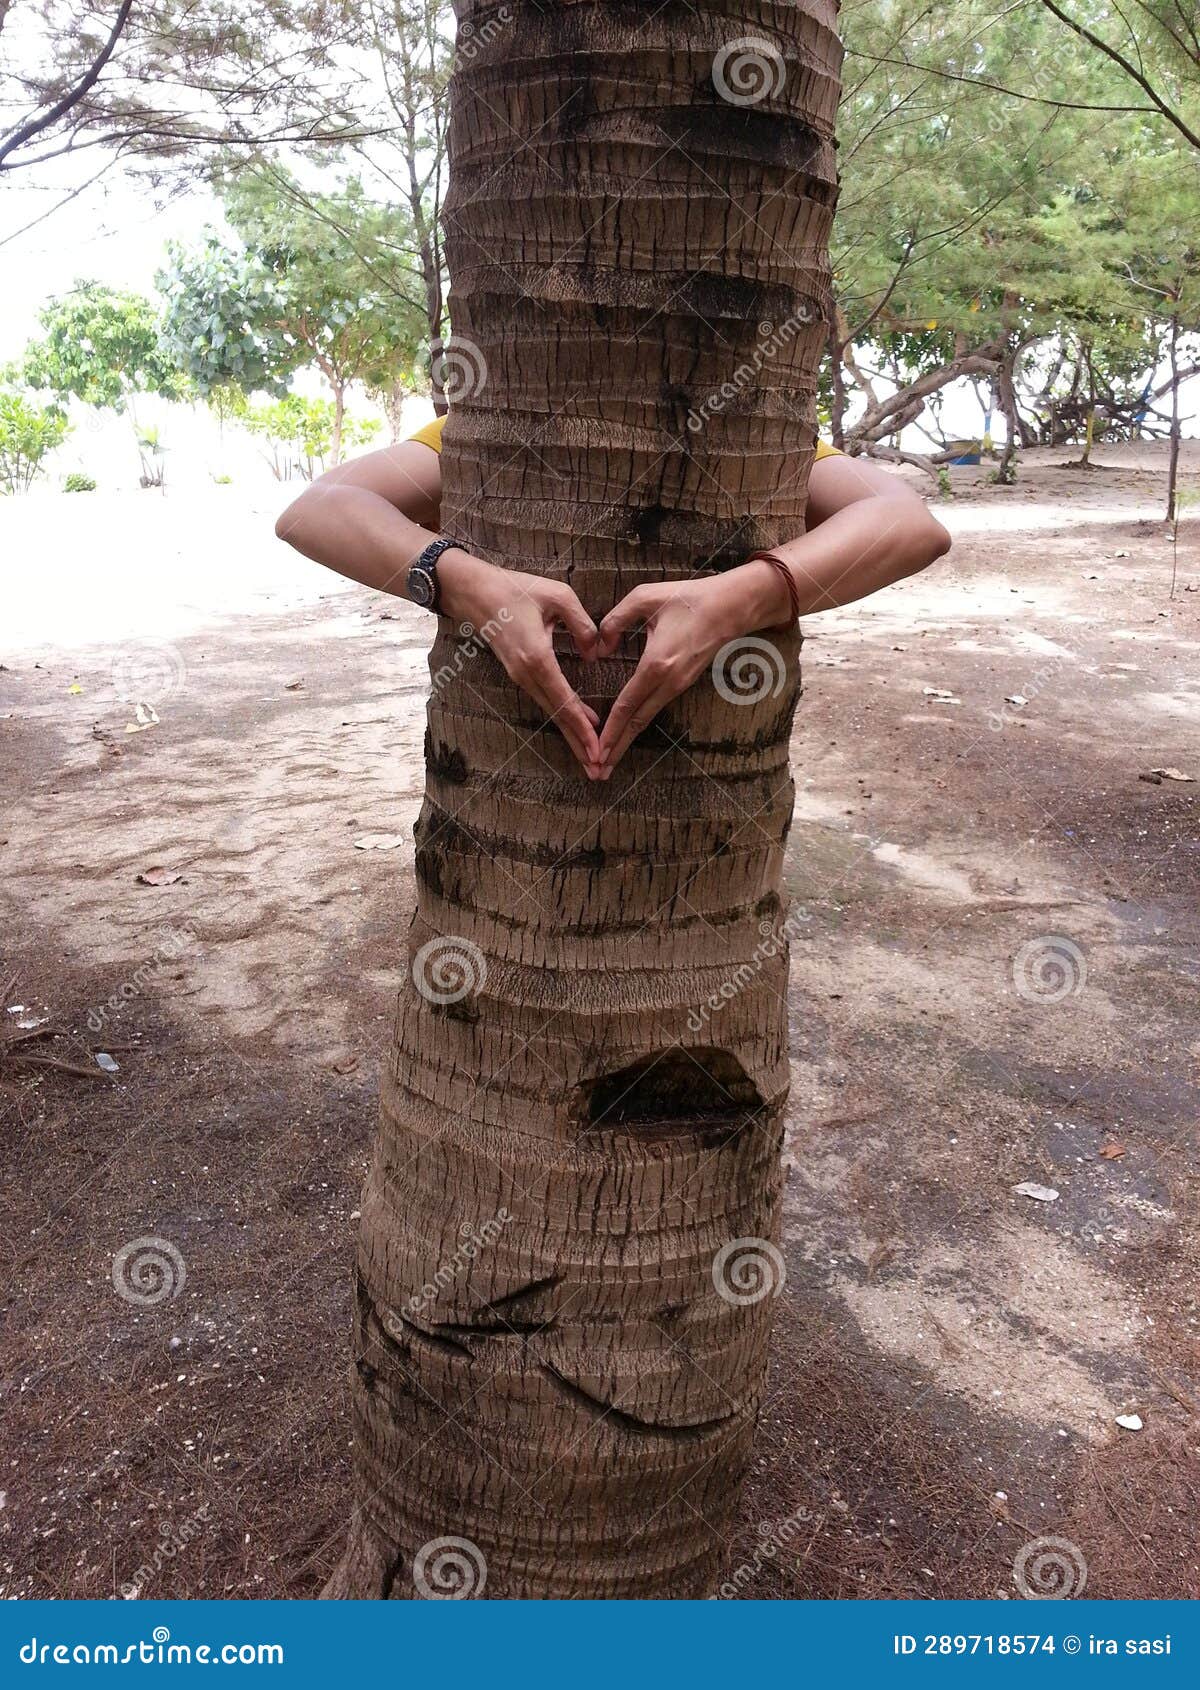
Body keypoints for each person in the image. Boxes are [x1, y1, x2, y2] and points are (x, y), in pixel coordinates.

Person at [276, 417, 950, 780]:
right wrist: (471, 586)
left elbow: (910, 524)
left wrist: (739, 599)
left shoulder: (759, 434)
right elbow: (314, 510)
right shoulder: (484, 432)